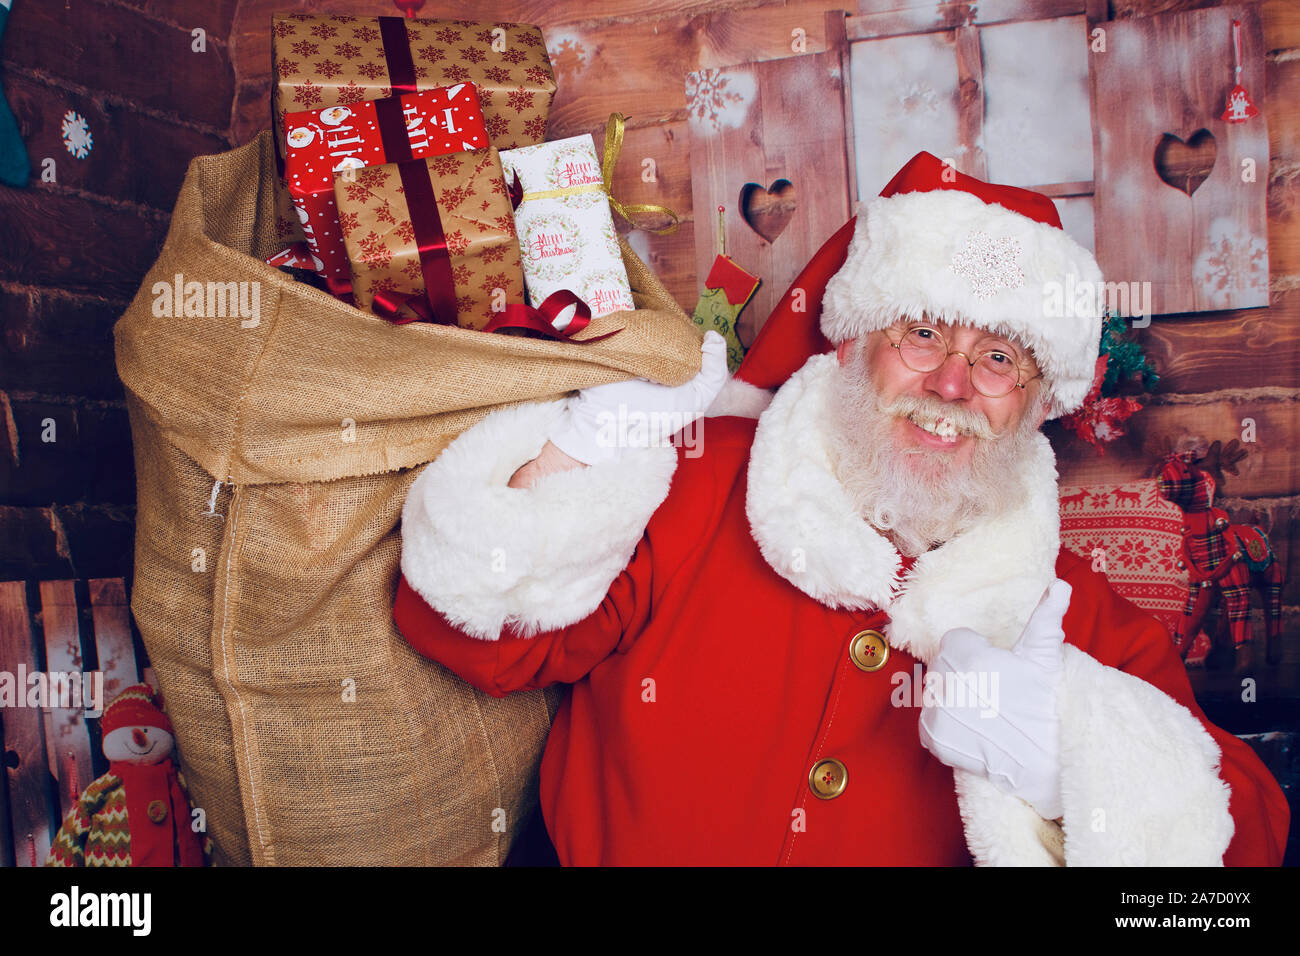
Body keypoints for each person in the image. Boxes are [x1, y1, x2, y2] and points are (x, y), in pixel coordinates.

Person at [393, 151, 1289, 865]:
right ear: (858, 340)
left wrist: (1070, 755)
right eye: (923, 332)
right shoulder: (706, 482)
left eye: (1000, 358)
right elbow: (478, 641)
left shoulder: (1063, 602)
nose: (950, 384)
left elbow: (1244, 850)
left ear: (1035, 399)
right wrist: (579, 450)